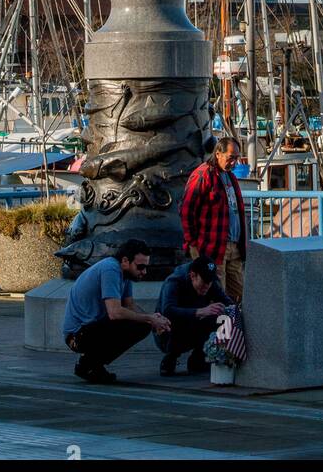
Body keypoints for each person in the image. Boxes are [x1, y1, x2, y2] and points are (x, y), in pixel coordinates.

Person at [62, 238, 170, 384]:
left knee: (143, 325)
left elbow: (130, 306)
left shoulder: (125, 275)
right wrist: (149, 318)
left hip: (91, 329)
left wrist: (154, 319)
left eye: (146, 267)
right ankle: (89, 364)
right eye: (140, 267)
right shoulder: (110, 269)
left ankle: (92, 364)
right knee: (139, 323)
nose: (144, 272)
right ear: (125, 261)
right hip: (76, 336)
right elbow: (115, 312)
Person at [180, 136, 246, 301]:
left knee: (239, 295)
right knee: (217, 295)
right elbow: (186, 211)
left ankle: (232, 325)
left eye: (236, 158)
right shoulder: (203, 175)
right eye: (231, 158)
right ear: (218, 153)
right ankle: (218, 326)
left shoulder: (230, 177)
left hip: (234, 247)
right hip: (213, 248)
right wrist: (193, 244)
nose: (234, 163)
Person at [155, 255, 230, 377]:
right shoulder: (175, 281)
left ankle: (199, 358)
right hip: (168, 331)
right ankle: (171, 357)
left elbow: (228, 302)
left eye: (210, 282)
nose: (207, 285)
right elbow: (168, 310)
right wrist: (200, 311)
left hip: (194, 326)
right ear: (193, 276)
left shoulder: (210, 284)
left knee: (219, 318)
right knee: (173, 319)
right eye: (204, 281)